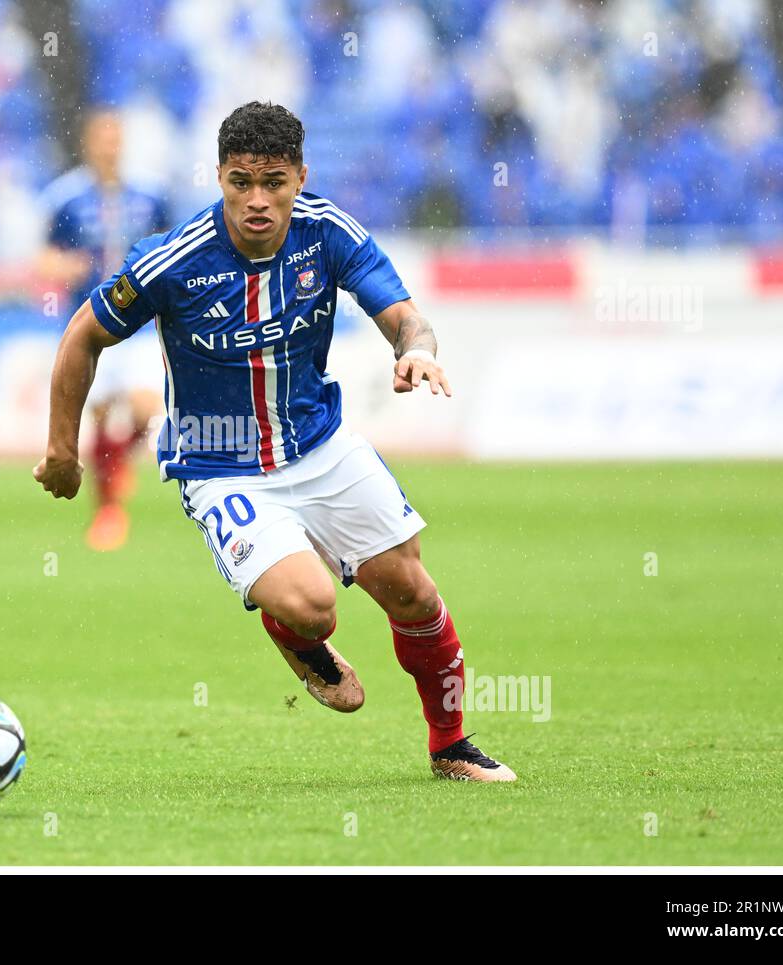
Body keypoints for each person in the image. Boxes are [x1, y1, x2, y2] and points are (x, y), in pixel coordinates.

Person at [34, 101, 516, 782]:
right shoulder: (173, 259)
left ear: (300, 176)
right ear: (220, 178)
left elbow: (407, 318)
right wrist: (61, 448)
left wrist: (416, 352)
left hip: (319, 442)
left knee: (410, 589)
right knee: (312, 603)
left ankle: (452, 745)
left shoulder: (326, 232)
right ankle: (297, 634)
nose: (256, 201)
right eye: (240, 182)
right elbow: (83, 333)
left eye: (274, 183)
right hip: (221, 466)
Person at [37, 109, 171, 551]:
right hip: (89, 325)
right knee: (95, 415)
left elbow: (172, 249)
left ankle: (118, 470)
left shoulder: (150, 194)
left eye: (115, 137)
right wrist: (68, 265)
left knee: (145, 407)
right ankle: (108, 511)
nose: (109, 146)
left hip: (140, 326)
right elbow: (44, 259)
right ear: (88, 143)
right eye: (101, 138)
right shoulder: (66, 198)